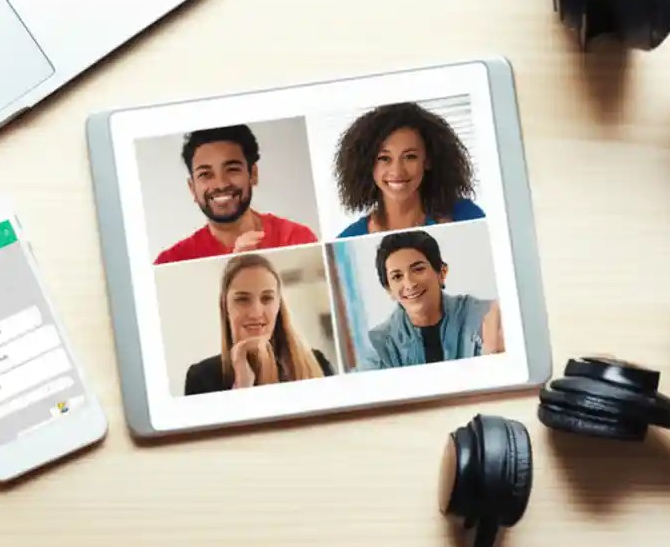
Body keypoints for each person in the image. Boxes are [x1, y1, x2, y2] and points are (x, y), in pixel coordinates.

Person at [156, 124, 319, 264]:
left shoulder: (295, 239)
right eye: (205, 174)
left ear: (253, 174)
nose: (221, 184)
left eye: (232, 169)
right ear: (192, 188)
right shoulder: (170, 262)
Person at [185, 253, 335, 395]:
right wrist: (242, 388)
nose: (256, 312)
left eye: (267, 298)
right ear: (225, 306)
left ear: (279, 305)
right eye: (242, 299)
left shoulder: (318, 364)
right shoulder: (201, 379)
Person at [357, 230, 503, 370]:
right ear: (388, 289)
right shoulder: (379, 345)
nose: (410, 284)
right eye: (397, 277)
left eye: (418, 269)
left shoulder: (483, 316)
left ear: (441, 272)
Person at [334, 102, 485, 238]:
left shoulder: (466, 216)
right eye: (384, 158)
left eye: (410, 157)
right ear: (367, 164)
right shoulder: (349, 239)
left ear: (428, 161)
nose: (397, 171)